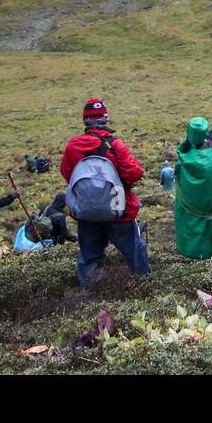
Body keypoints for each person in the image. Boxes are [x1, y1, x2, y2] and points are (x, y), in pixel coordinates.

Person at [60, 98, 149, 285]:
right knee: (134, 251)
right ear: (105, 119)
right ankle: (143, 287)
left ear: (85, 120)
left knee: (89, 257)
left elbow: (67, 175)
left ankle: (89, 295)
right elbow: (134, 174)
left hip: (86, 213)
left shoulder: (72, 147)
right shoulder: (115, 145)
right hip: (119, 211)